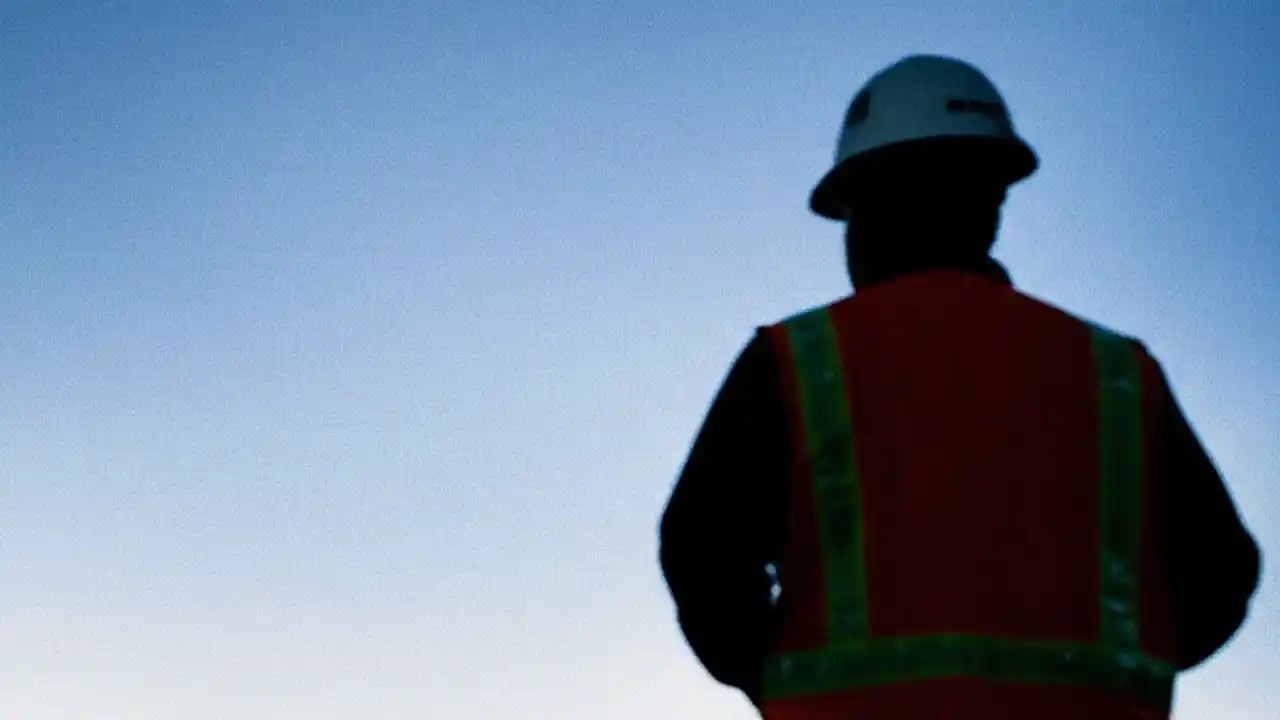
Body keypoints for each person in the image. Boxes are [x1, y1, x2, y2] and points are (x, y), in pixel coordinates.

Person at [659, 55, 1260, 720]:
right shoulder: (1117, 373)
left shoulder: (796, 362)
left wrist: (786, 680)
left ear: (869, 207)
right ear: (991, 202)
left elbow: (704, 558)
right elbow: (1220, 577)